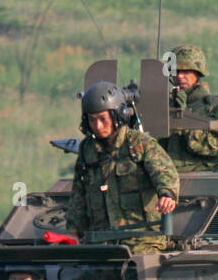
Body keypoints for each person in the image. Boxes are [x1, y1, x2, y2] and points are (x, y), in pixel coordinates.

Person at [65, 81, 180, 240]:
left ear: (117, 115)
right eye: (92, 120)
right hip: (101, 241)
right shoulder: (88, 150)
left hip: (142, 240)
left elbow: (164, 172)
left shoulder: (139, 143)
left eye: (103, 119)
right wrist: (73, 230)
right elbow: (78, 194)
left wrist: (167, 194)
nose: (98, 126)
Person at [158, 44, 218, 172]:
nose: (180, 76)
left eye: (186, 71)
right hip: (164, 177)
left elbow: (213, 148)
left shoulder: (216, 107)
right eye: (176, 71)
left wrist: (184, 117)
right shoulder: (163, 105)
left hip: (199, 178)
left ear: (198, 73)